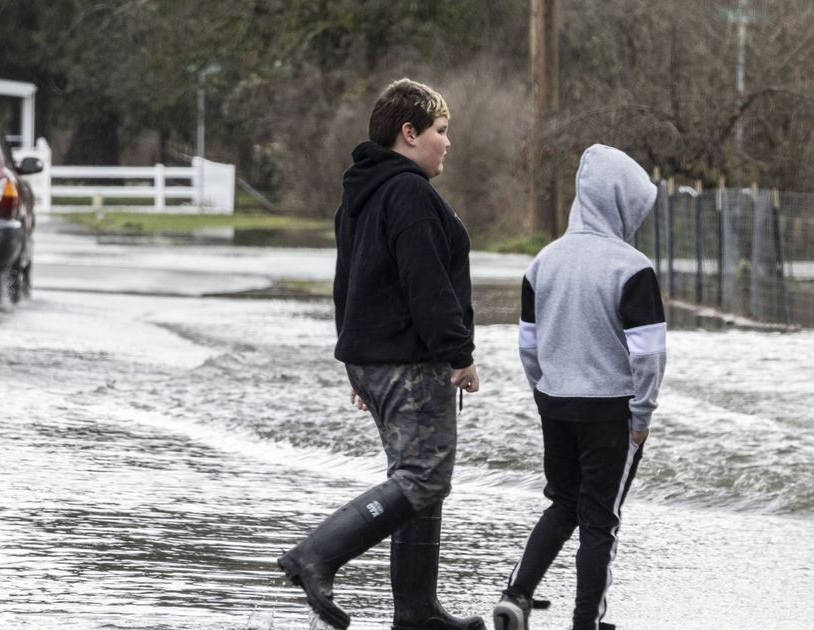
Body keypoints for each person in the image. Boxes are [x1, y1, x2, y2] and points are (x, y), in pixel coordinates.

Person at [277, 78, 484, 630]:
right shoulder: (409, 192)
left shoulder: (362, 192)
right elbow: (426, 283)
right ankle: (317, 555)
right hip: (410, 361)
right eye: (441, 132)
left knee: (415, 481)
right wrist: (458, 352)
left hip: (373, 359)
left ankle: (417, 612)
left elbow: (348, 283)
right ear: (408, 132)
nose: (447, 144)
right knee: (423, 479)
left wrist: (355, 359)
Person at [492, 144, 666, 630]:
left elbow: (528, 344)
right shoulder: (632, 267)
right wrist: (643, 414)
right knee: (599, 519)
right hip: (609, 410)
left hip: (555, 403)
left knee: (562, 502)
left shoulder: (542, 262)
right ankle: (586, 622)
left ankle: (517, 596)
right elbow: (648, 354)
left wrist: (543, 391)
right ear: (620, 203)